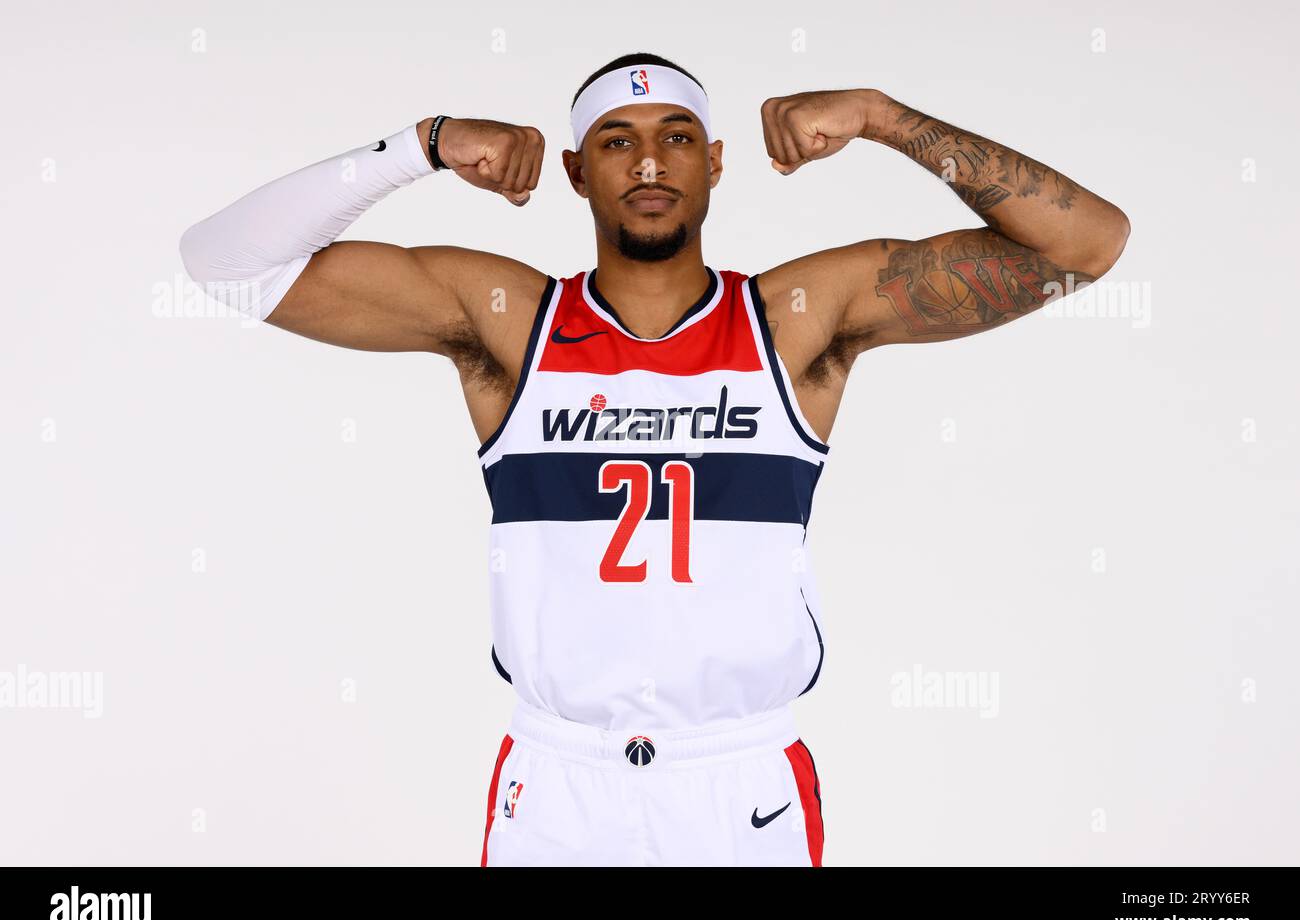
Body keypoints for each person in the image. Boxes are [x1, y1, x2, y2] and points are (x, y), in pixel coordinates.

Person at [179, 52, 1129, 866]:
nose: (647, 160)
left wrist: (882, 118)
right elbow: (223, 266)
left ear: (715, 164)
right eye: (615, 139)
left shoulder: (795, 321)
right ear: (576, 172)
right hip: (559, 783)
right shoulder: (511, 323)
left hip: (737, 783)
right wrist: (420, 144)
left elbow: (1087, 244)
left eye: (676, 136)